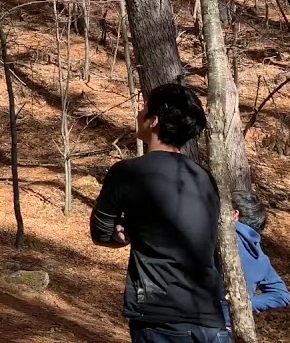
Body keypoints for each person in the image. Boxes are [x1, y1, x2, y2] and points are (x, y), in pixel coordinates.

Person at [90, 83, 229, 343]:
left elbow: (100, 232)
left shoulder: (127, 172)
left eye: (143, 109)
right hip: (213, 320)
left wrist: (125, 229)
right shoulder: (204, 178)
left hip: (161, 319)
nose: (139, 114)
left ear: (153, 121)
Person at [230, 191, 290, 313]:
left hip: (191, 320)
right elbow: (282, 295)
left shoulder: (215, 237)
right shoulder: (260, 258)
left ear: (235, 214)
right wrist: (244, 304)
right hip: (230, 326)